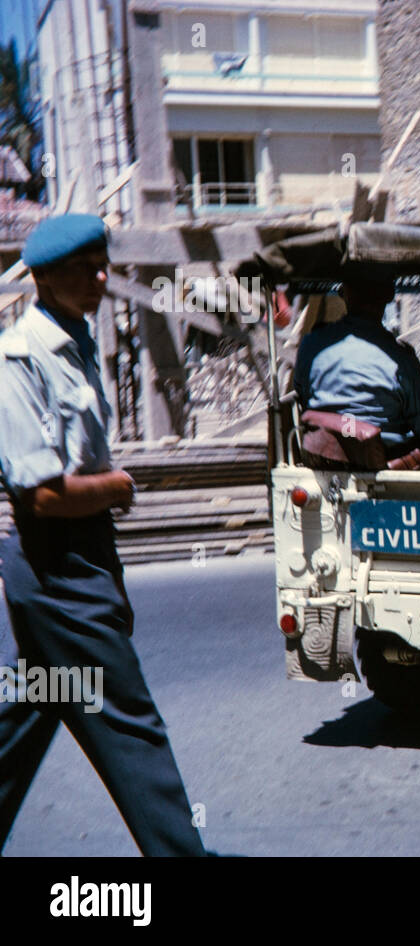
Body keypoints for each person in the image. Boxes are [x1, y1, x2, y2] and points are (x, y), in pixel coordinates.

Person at [0, 213, 207, 856]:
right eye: (84, 269)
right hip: (54, 564)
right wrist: (121, 487)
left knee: (38, 702)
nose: (99, 278)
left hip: (84, 556)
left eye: (102, 264)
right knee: (127, 720)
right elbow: (40, 494)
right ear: (42, 277)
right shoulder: (16, 359)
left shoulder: (79, 338)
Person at [294, 275, 420, 466]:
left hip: (324, 459)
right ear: (389, 295)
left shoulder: (312, 343)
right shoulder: (401, 359)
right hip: (386, 465)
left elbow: (303, 396)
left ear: (344, 294)